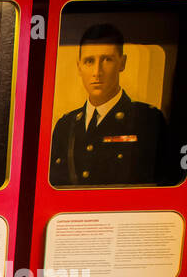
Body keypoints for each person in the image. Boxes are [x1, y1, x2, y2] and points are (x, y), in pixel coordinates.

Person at [49, 22, 172, 187]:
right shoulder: (65, 125)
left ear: (122, 63)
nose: (97, 72)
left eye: (107, 60)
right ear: (79, 67)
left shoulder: (147, 120)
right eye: (89, 61)